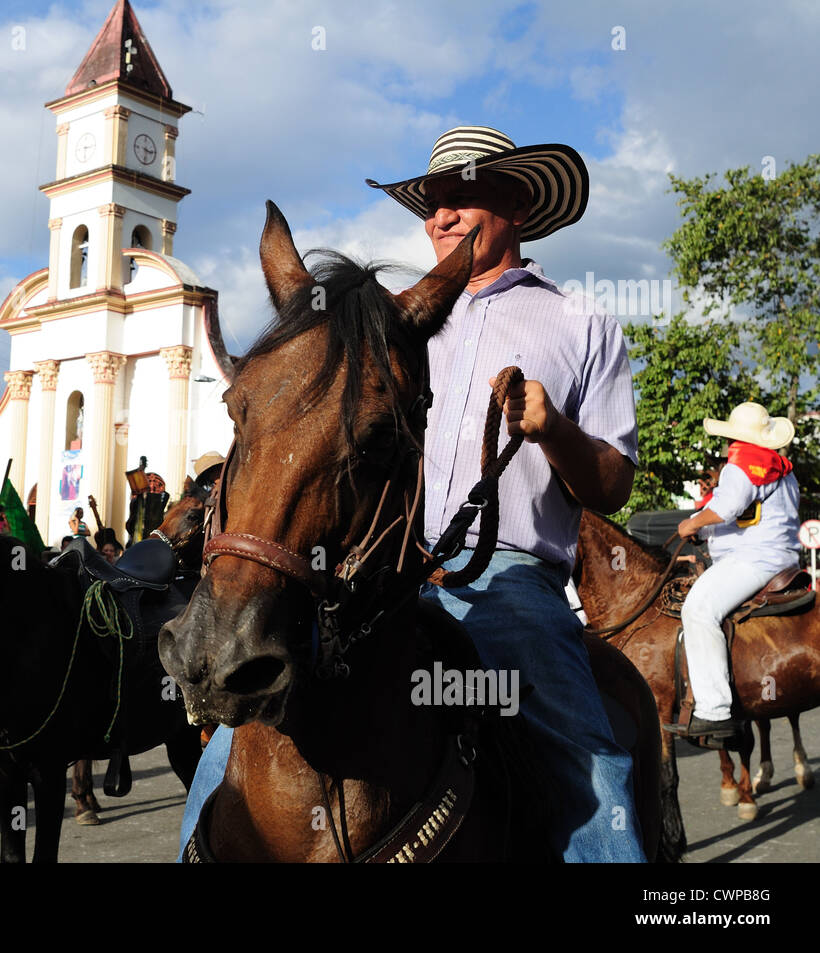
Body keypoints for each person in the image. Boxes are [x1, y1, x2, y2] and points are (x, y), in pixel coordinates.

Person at [182, 125, 644, 863]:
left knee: (583, 761)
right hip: (368, 581)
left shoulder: (581, 323)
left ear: (518, 204)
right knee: (227, 749)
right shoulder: (379, 321)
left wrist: (552, 427)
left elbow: (614, 484)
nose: (442, 216)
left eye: (464, 197)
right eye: (433, 203)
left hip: (510, 582)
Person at [674, 403, 801, 740]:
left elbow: (727, 507)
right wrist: (706, 530)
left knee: (698, 611)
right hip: (782, 556)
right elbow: (746, 516)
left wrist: (692, 523)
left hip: (755, 559)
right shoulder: (780, 468)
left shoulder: (743, 461)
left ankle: (714, 712)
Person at [126, 468, 169, 546]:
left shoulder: (161, 503)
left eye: (155, 487)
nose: (152, 488)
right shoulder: (137, 502)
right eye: (150, 484)